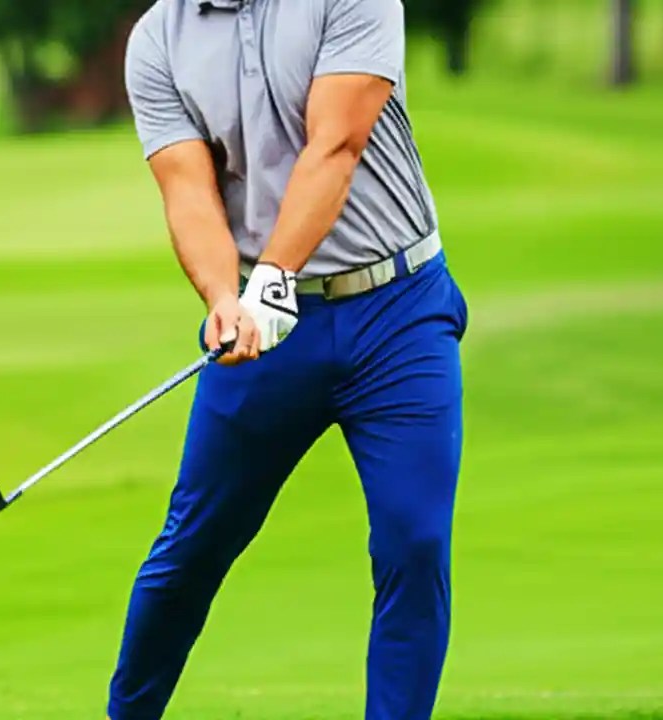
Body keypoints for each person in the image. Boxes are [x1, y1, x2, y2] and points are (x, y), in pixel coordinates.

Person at [108, 0, 468, 717]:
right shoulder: (157, 40)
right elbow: (188, 190)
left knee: (413, 542)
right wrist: (223, 298)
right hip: (263, 329)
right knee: (191, 551)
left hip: (396, 309)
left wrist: (273, 276)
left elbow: (336, 143)